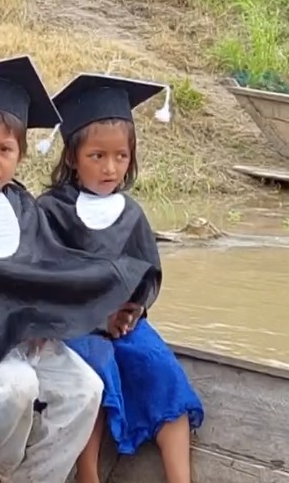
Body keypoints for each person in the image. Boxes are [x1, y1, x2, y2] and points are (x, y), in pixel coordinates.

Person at [0, 56, 158, 483]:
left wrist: (105, 304)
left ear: (20, 153)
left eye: (4, 150)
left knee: (87, 389)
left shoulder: (27, 208)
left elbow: (50, 273)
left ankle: (35, 478)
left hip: (30, 340)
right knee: (17, 387)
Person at [37, 73, 203, 483]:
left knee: (160, 366)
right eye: (97, 156)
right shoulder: (50, 211)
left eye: (121, 157)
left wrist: (134, 310)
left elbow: (147, 273)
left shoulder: (129, 213)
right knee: (96, 365)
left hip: (122, 324)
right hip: (73, 327)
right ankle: (88, 475)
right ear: (73, 156)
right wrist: (97, 320)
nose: (111, 168)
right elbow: (47, 281)